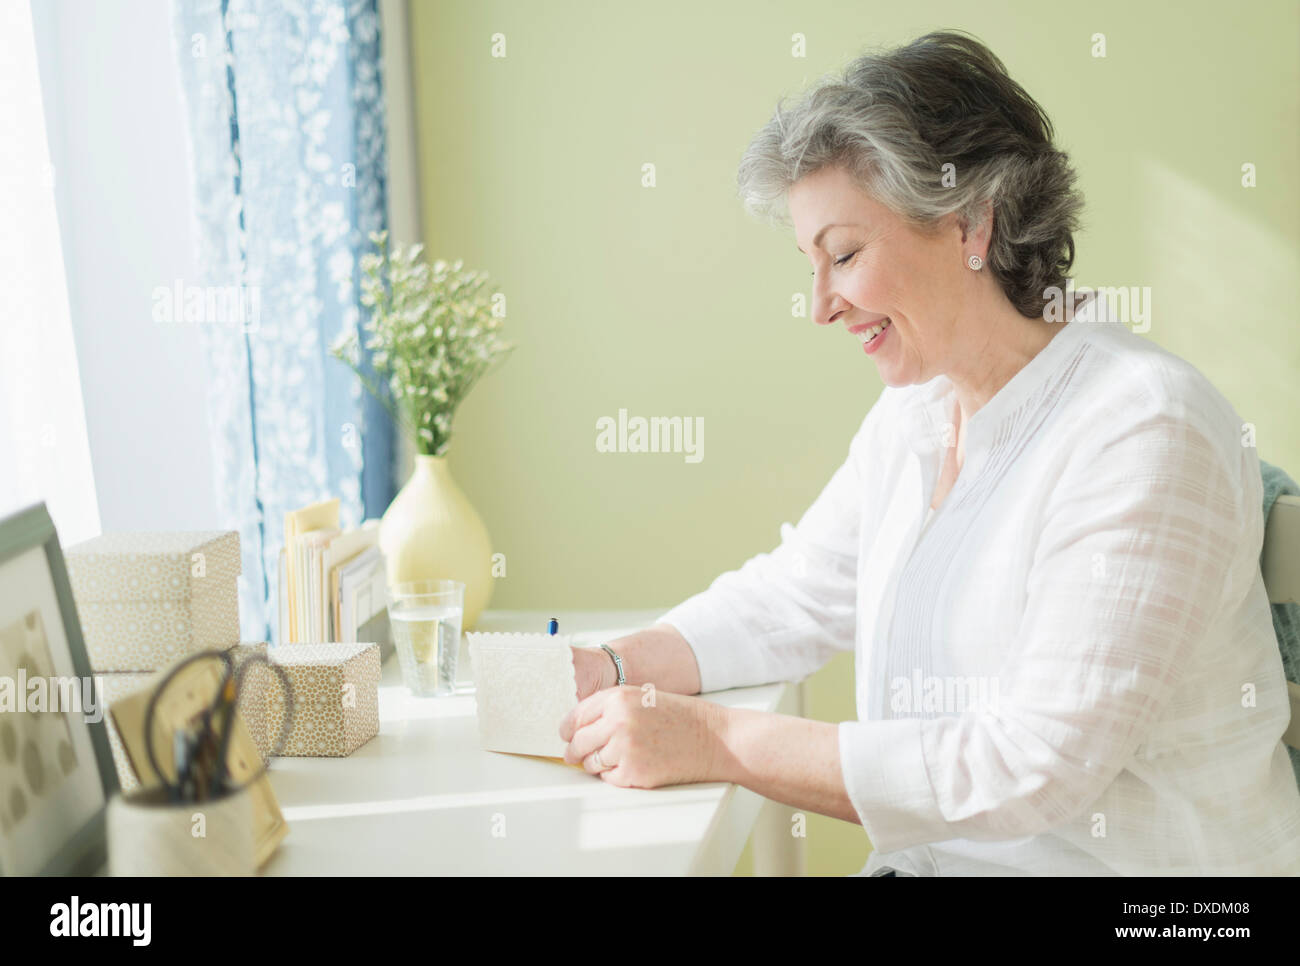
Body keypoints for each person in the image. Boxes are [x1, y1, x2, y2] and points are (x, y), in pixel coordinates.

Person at [559, 29, 1300, 875]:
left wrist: (716, 738)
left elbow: (1029, 767)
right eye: (811, 264)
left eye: (843, 255)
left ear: (969, 223)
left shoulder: (1142, 427)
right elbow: (793, 595)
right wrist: (612, 663)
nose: (819, 305)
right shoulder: (916, 411)